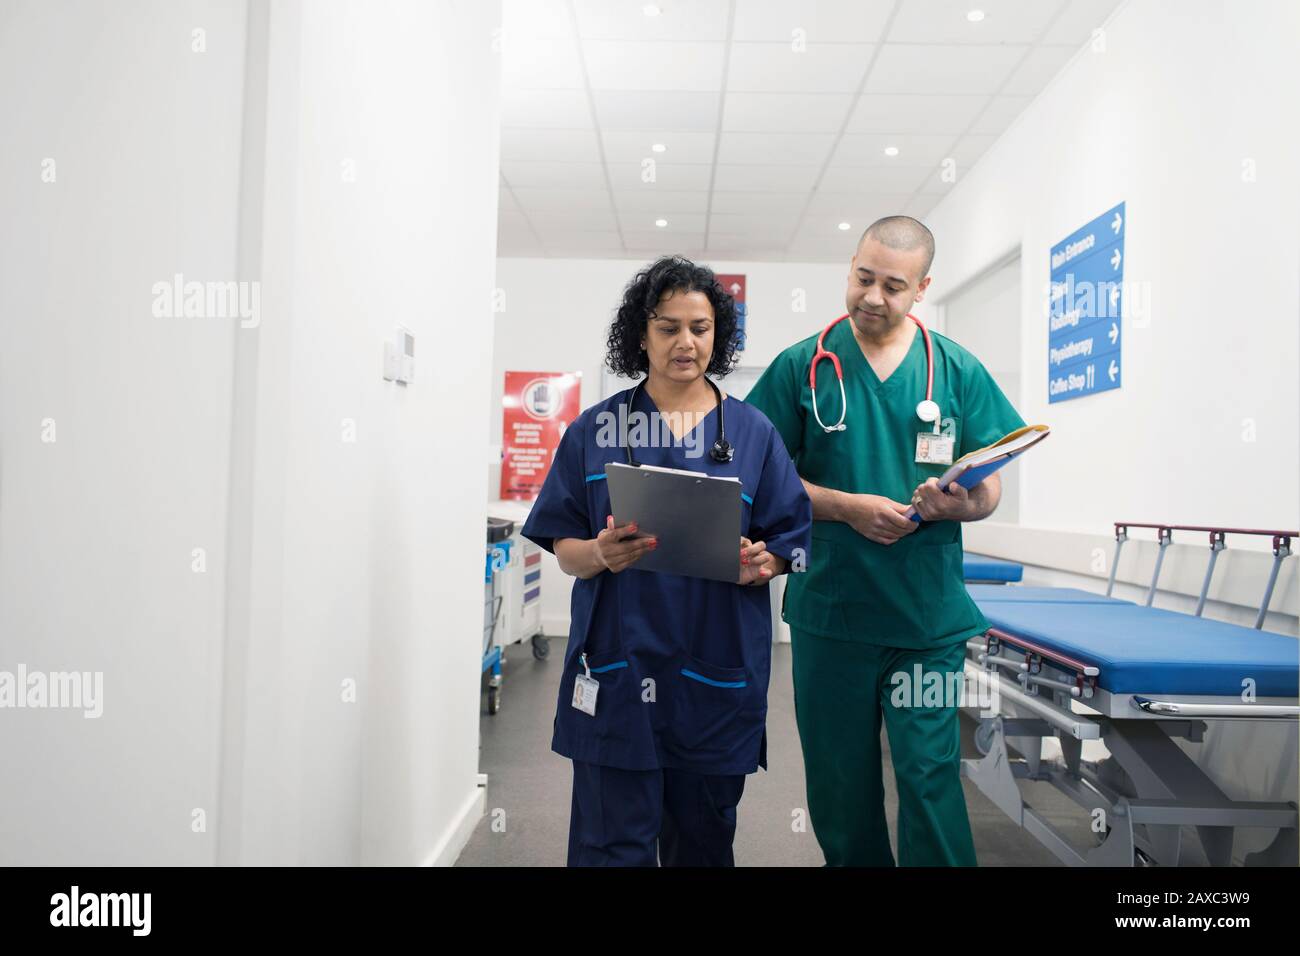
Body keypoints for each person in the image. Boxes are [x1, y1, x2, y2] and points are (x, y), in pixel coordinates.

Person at [745, 216, 1026, 867]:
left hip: (923, 623)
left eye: (893, 286)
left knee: (929, 776)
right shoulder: (801, 367)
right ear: (850, 267)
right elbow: (760, 478)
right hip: (831, 616)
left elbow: (989, 490)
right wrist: (846, 508)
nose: (873, 296)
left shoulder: (955, 370)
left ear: (922, 287)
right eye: (863, 278)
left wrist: (963, 502)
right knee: (841, 787)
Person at [521, 255, 812, 867]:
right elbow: (565, 550)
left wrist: (763, 566)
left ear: (719, 335)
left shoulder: (754, 433)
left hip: (714, 672)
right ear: (641, 334)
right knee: (609, 847)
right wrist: (598, 552)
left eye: (700, 328)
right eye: (668, 326)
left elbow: (791, 544)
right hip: (616, 669)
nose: (686, 342)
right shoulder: (595, 430)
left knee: (701, 847)